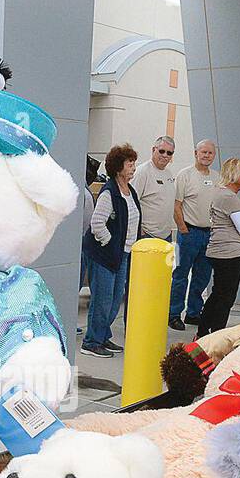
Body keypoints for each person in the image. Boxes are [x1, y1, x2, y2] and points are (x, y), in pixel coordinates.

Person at [82, 143, 142, 359]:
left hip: (123, 254)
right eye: (129, 163)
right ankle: (91, 342)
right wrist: (110, 243)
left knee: (116, 299)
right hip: (105, 256)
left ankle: (103, 335)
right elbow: (97, 223)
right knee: (103, 299)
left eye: (134, 162)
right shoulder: (110, 192)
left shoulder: (129, 191)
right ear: (118, 167)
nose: (133, 167)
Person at [197, 157, 240, 339]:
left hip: (218, 251)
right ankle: (216, 336)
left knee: (218, 294)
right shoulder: (230, 198)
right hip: (230, 253)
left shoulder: (220, 194)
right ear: (235, 174)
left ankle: (203, 332)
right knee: (226, 297)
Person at [170, 139, 218, 330]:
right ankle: (174, 314)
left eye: (210, 153)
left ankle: (193, 313)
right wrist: (183, 229)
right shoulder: (185, 175)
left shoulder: (217, 177)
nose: (206, 156)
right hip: (188, 233)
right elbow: (176, 205)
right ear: (195, 153)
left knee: (202, 276)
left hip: (209, 235)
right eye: (203, 152)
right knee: (181, 274)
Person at [130, 135, 177, 241]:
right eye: (162, 151)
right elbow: (131, 202)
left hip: (166, 236)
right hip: (147, 235)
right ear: (153, 150)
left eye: (169, 153)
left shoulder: (168, 174)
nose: (165, 155)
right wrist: (139, 230)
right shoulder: (142, 172)